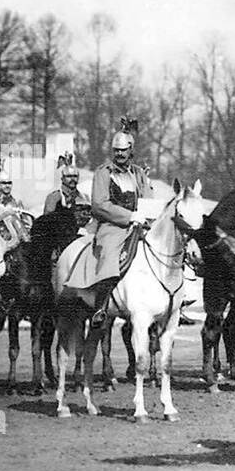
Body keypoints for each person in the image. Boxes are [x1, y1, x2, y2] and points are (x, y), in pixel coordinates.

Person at [85, 118, 152, 328]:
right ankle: (101, 306)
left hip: (140, 225)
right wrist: (129, 216)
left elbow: (148, 199)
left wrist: (147, 216)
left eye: (123, 150)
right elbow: (99, 205)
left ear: (131, 150)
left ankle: (173, 301)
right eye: (116, 150)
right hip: (112, 226)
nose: (120, 154)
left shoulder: (139, 173)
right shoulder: (103, 172)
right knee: (109, 253)